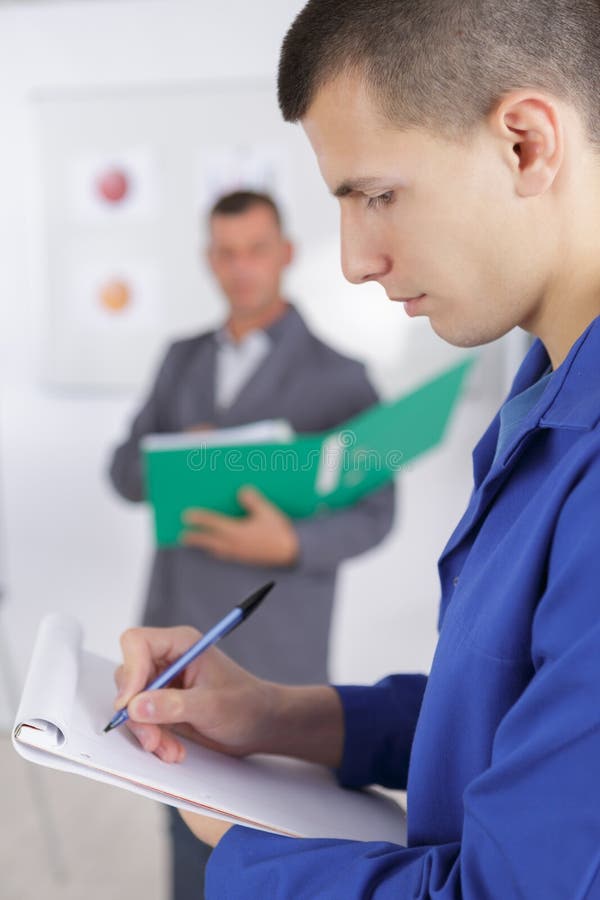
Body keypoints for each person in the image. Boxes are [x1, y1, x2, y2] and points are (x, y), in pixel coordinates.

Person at [110, 1, 600, 896]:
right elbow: (506, 716)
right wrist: (277, 714)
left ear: (526, 143)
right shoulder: (544, 399)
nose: (355, 261)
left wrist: (245, 854)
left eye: (378, 195)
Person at [108, 188, 395, 899]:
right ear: (210, 260)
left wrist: (288, 542)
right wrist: (170, 455)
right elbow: (122, 472)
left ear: (286, 254)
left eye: (256, 250)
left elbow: (376, 514)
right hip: (178, 638)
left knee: (270, 840)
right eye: (227, 253)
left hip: (275, 646)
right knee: (181, 822)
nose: (242, 268)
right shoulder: (179, 361)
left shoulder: (340, 377)